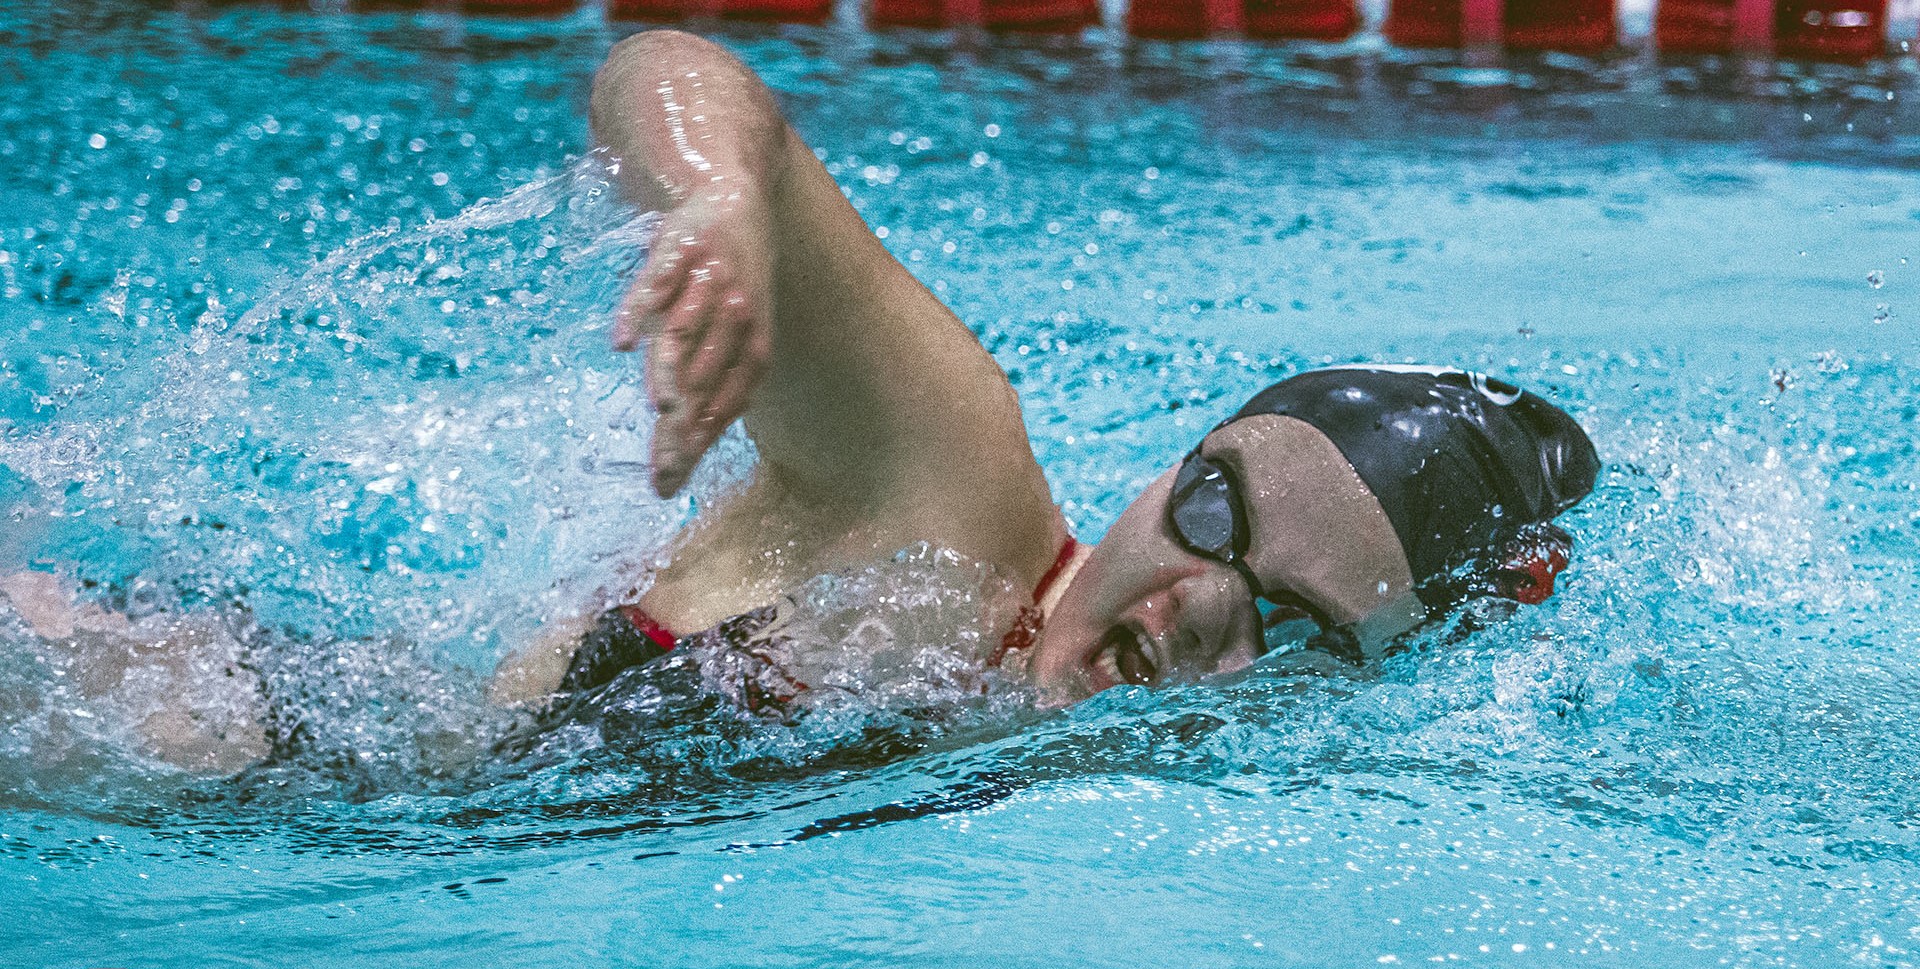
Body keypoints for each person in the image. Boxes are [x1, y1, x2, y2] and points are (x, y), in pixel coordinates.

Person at [486, 28, 1601, 713]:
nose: (1197, 607)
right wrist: (717, 196)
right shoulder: (947, 492)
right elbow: (664, 66)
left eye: (1295, 624)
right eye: (1213, 516)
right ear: (1180, 464)